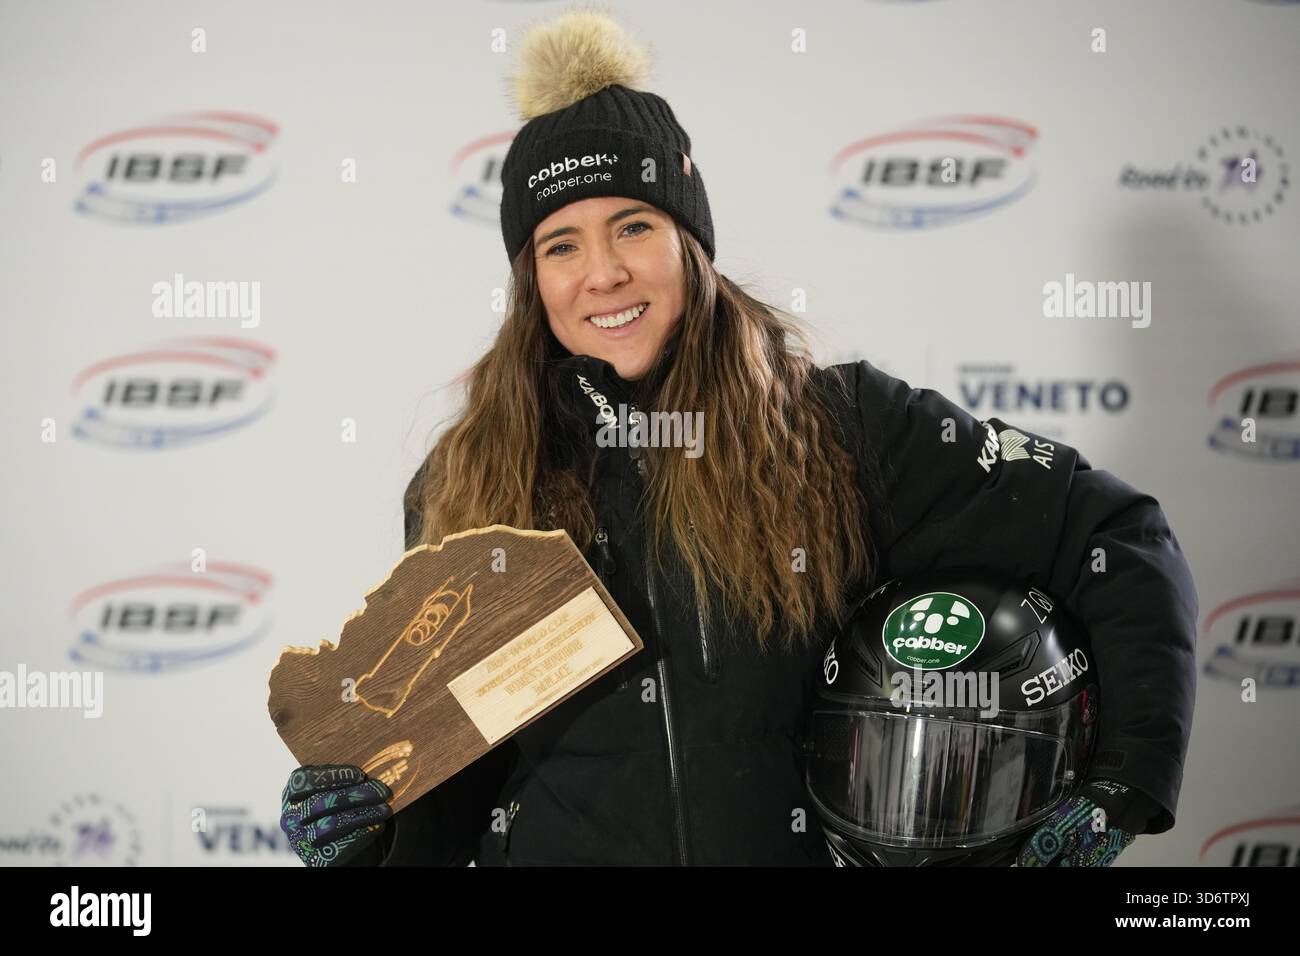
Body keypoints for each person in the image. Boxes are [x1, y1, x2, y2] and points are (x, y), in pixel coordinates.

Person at [280, 8, 1197, 868]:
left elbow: (1116, 536)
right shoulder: (472, 481)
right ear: (531, 279)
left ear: (691, 245)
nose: (602, 273)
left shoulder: (836, 428)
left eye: (632, 226)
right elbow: (458, 792)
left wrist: (1126, 781)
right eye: (560, 244)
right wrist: (372, 824)